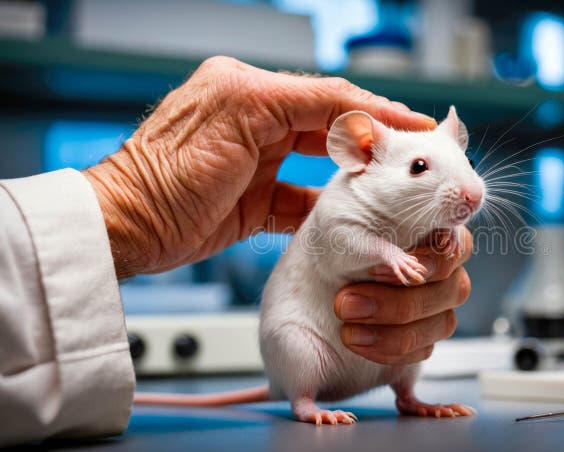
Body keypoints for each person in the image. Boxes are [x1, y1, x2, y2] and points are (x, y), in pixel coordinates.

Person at [0, 56, 473, 445]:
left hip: (372, 365)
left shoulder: (421, 212)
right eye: (417, 167)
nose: (470, 192)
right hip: (316, 341)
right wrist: (385, 255)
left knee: (409, 329)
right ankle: (302, 399)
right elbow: (341, 249)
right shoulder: (343, 204)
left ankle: (407, 394)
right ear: (363, 154)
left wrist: (441, 236)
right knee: (311, 329)